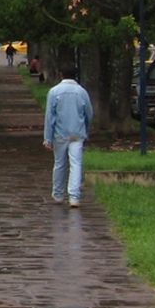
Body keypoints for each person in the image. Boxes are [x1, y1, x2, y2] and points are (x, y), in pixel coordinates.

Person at [43, 63, 93, 208]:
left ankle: (58, 194)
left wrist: (48, 138)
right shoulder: (82, 92)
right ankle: (74, 197)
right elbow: (89, 113)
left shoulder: (54, 91)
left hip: (60, 133)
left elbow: (49, 116)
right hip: (77, 133)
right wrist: (86, 129)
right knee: (76, 164)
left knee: (59, 164)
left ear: (61, 74)